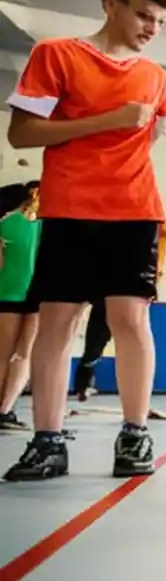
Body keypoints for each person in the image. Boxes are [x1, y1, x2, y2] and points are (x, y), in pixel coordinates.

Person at [4, 0, 166, 482]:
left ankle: (134, 435)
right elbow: (20, 135)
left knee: (131, 322)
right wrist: (108, 121)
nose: (152, 28)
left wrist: (124, 135)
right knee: (56, 325)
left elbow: (154, 137)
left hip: (134, 210)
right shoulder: (56, 54)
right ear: (110, 4)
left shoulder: (156, 75)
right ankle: (48, 441)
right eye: (144, 15)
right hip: (69, 209)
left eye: (161, 22)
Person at [0, 182, 40, 431]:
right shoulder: (45, 226)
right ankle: (6, 410)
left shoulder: (4, 225)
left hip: (6, 293)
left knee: (2, 354)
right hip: (38, 294)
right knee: (24, 354)